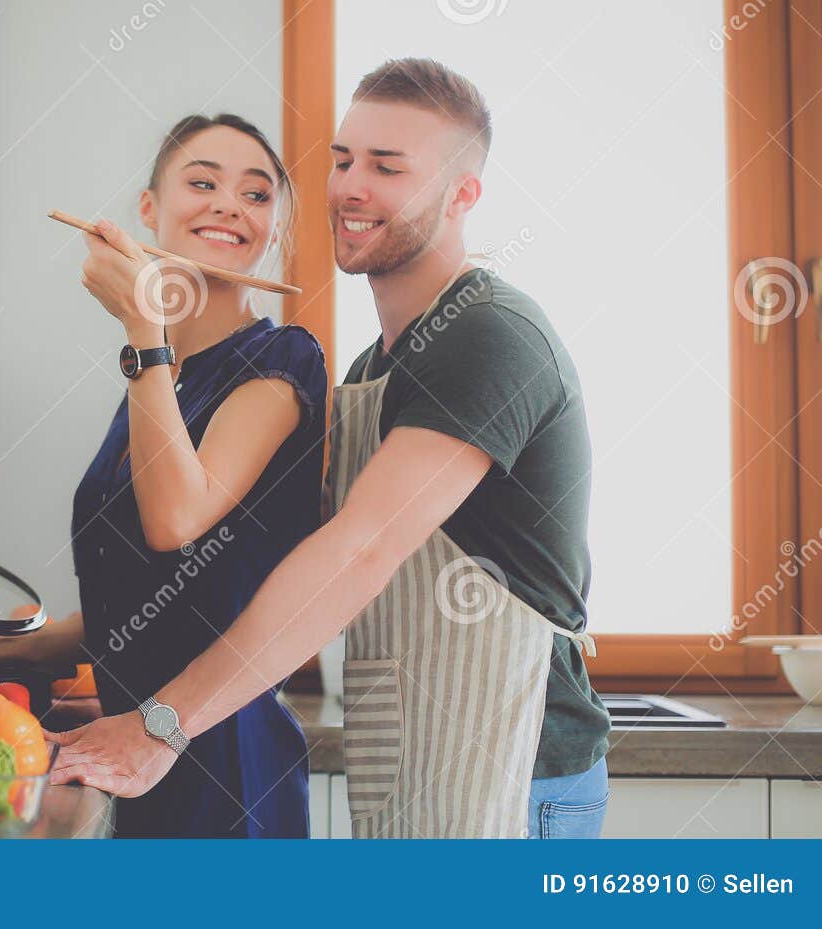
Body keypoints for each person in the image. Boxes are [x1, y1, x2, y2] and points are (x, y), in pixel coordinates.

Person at [49, 59, 611, 840]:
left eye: (387, 167)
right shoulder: (369, 372)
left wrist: (161, 724)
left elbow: (361, 549)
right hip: (410, 757)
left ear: (462, 195)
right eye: (343, 160)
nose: (351, 186)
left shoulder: (489, 337)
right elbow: (243, 565)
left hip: (517, 768)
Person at [0, 113, 327, 837]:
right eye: (202, 182)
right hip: (132, 751)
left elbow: (175, 519)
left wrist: (144, 332)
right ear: (149, 209)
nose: (229, 205)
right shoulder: (160, 380)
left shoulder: (284, 362)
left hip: (227, 770)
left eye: (256, 194)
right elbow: (146, 592)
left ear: (273, 228)